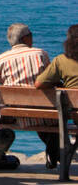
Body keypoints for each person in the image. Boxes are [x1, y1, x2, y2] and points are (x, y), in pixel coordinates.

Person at [0, 23, 54, 168]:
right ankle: (54, 154)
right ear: (26, 38)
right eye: (31, 35)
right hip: (41, 114)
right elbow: (50, 80)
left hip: (9, 115)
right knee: (53, 119)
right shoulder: (40, 54)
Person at [34, 25, 78, 167]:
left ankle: (55, 156)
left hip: (74, 114)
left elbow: (39, 84)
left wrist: (59, 84)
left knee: (49, 119)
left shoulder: (61, 60)